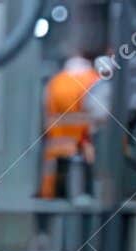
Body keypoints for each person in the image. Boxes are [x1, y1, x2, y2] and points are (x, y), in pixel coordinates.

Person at [41, 49, 107, 198]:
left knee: (55, 197)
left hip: (55, 153)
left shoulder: (54, 83)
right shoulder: (95, 80)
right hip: (87, 152)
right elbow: (101, 117)